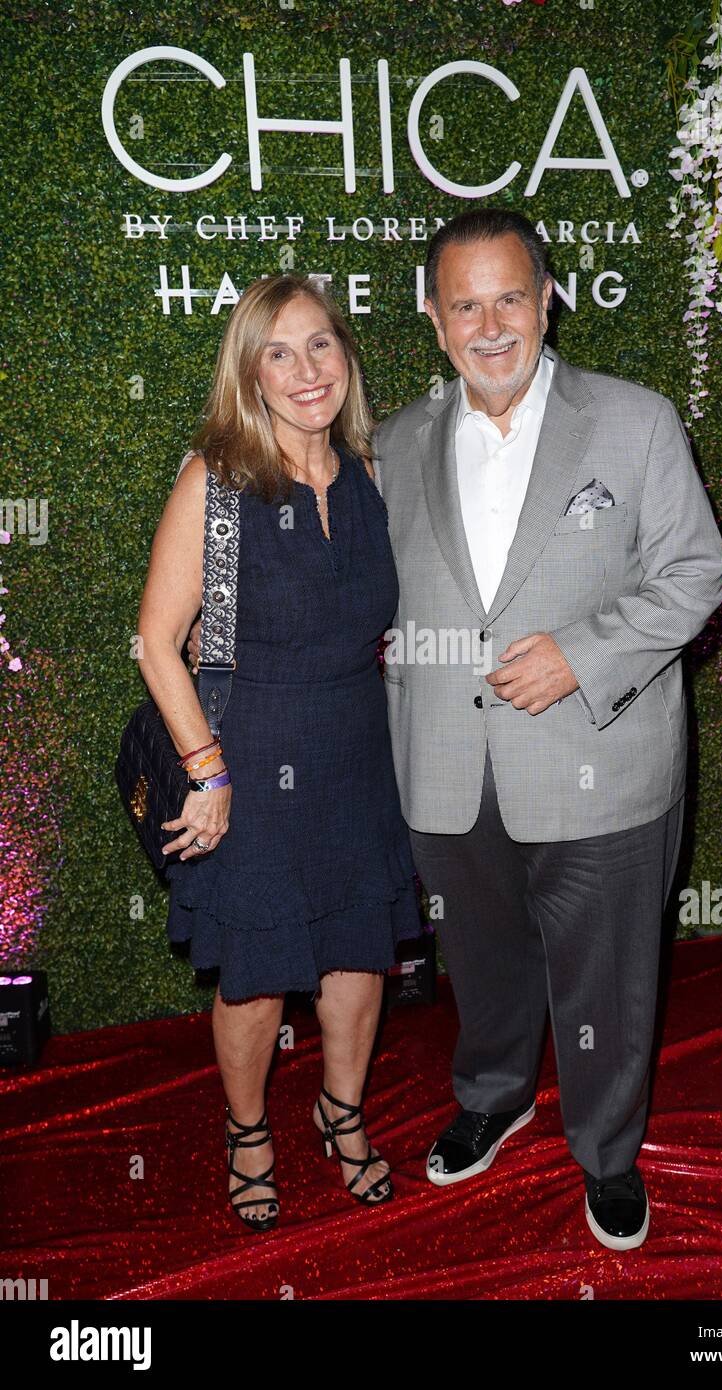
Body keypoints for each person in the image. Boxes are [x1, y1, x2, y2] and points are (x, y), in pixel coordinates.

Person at [371, 208, 722, 1250]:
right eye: (464, 304)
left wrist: (584, 652)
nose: (489, 325)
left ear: (547, 299)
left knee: (606, 972)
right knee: (478, 959)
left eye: (509, 298)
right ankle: (492, 1091)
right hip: (444, 768)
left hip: (597, 758)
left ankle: (608, 1152)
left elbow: (693, 572)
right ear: (433, 319)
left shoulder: (636, 421)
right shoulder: (392, 442)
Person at [136, 272, 423, 1233]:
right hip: (250, 760)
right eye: (279, 351)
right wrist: (208, 772)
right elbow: (157, 641)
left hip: (353, 753)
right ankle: (248, 1131)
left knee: (357, 956)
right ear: (249, 373)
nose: (306, 370)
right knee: (255, 975)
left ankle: (340, 1114)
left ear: (346, 355)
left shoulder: (373, 473)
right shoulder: (217, 479)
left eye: (321, 345)